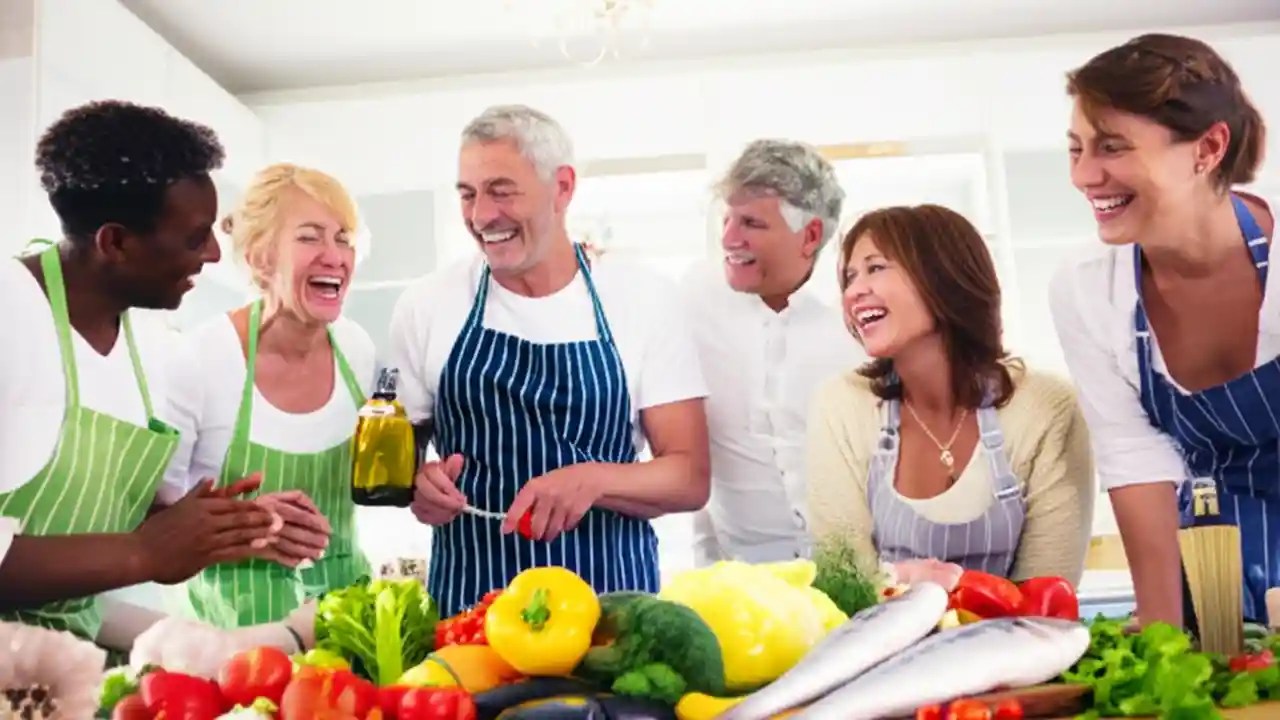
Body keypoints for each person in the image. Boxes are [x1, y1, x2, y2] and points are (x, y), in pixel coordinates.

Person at [388, 104, 711, 616]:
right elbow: (397, 458)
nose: (480, 217)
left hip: (611, 614)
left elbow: (689, 477)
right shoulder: (428, 304)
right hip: (472, 617)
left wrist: (592, 479)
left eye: (501, 191)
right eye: (468, 195)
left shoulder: (643, 298)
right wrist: (415, 484)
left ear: (562, 187)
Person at [0, 100, 283, 650]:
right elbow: (135, 547)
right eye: (194, 236)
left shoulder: (148, 343)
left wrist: (216, 526)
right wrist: (146, 551)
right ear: (115, 243)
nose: (213, 252)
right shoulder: (10, 313)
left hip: (52, 672)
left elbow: (95, 520)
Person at [1049, 33, 1275, 627]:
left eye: (1113, 148)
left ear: (1207, 149)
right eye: (1076, 149)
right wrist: (1161, 628)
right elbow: (1134, 459)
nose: (1084, 175)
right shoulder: (1086, 287)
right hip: (1209, 563)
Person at [806, 204, 1096, 585]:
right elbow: (845, 584)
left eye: (875, 268)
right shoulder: (842, 404)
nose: (853, 292)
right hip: (882, 644)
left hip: (1016, 642)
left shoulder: (1045, 406)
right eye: (849, 277)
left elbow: (1048, 596)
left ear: (943, 277)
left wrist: (903, 582)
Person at [162, 163, 374, 628]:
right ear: (260, 258)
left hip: (349, 626)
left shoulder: (358, 350)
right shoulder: (201, 357)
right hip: (234, 644)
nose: (335, 256)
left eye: (343, 238)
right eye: (310, 236)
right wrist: (243, 524)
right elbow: (153, 518)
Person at [679, 138, 864, 566]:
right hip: (738, 580)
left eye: (750, 224)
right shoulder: (694, 296)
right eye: (726, 219)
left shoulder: (858, 308)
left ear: (810, 234)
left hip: (857, 574)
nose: (729, 238)